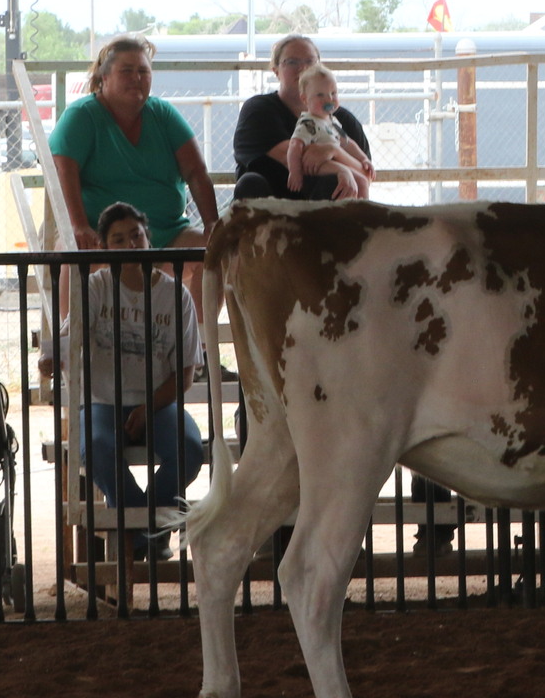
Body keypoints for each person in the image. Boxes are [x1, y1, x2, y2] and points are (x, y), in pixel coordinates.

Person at [39, 202, 205, 563]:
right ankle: (152, 530)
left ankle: (139, 530)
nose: (130, 245)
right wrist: (52, 359)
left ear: (149, 238)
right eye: (118, 240)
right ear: (104, 248)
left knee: (191, 449)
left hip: (159, 402)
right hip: (102, 401)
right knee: (96, 448)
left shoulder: (176, 294)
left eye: (136, 236)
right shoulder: (95, 287)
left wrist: (149, 408)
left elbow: (186, 374)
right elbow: (67, 340)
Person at [49, 34, 218, 251]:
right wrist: (79, 225)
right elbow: (63, 171)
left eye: (143, 71)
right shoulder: (82, 115)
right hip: (101, 237)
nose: (136, 78)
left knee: (214, 256)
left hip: (168, 234)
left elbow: (196, 172)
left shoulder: (163, 114)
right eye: (126, 71)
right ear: (104, 78)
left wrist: (212, 224)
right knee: (73, 253)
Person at [232, 34, 377, 201]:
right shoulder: (259, 110)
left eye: (310, 62)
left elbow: (365, 174)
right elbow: (301, 159)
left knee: (334, 181)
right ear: (276, 71)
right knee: (249, 183)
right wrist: (341, 162)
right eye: (292, 62)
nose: (303, 68)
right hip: (276, 207)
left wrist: (332, 150)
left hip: (327, 213)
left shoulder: (341, 119)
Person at [286, 63, 374, 200]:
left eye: (333, 93)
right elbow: (295, 145)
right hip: (318, 165)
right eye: (320, 95)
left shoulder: (333, 121)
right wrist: (295, 171)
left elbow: (347, 143)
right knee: (345, 178)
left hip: (333, 160)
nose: (329, 99)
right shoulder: (308, 122)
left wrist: (363, 159)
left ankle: (363, 213)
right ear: (305, 99)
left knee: (362, 181)